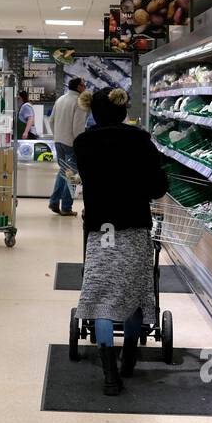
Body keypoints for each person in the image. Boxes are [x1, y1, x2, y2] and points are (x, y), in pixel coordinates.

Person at [72, 87, 169, 396]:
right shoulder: (140, 140)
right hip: (135, 229)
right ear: (122, 110)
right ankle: (128, 359)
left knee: (101, 298)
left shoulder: (83, 144)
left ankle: (110, 374)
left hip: (102, 231)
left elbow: (87, 181)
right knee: (136, 295)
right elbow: (157, 188)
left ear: (93, 112)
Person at [46, 78, 88, 216]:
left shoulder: (60, 99)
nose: (85, 87)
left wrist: (57, 135)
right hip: (72, 143)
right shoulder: (80, 102)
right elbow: (78, 127)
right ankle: (66, 207)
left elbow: (51, 120)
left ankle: (53, 202)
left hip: (59, 141)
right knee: (71, 175)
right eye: (84, 85)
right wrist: (81, 145)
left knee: (63, 172)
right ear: (78, 87)